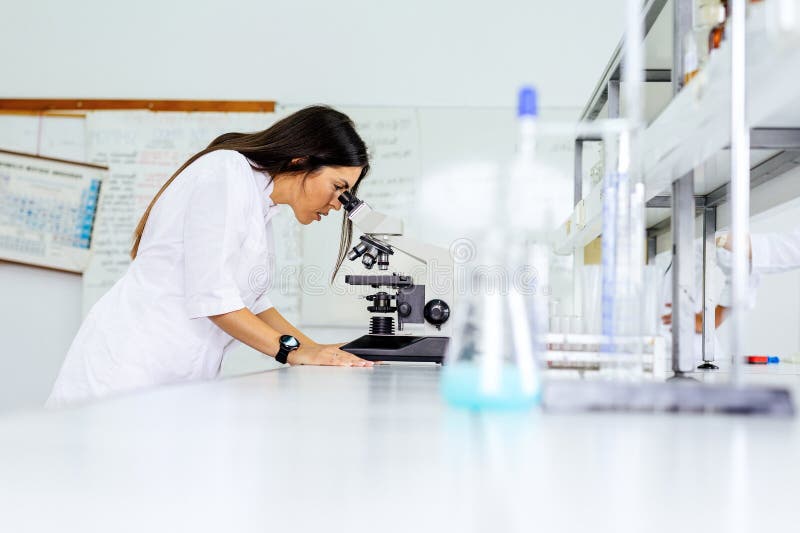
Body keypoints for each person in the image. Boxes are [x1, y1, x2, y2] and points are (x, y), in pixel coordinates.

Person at [48, 106, 374, 407]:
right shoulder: (226, 171)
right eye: (338, 186)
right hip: (127, 369)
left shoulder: (261, 205)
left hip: (176, 378)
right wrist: (295, 353)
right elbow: (214, 299)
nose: (337, 204)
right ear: (300, 160)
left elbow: (255, 303)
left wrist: (321, 353)